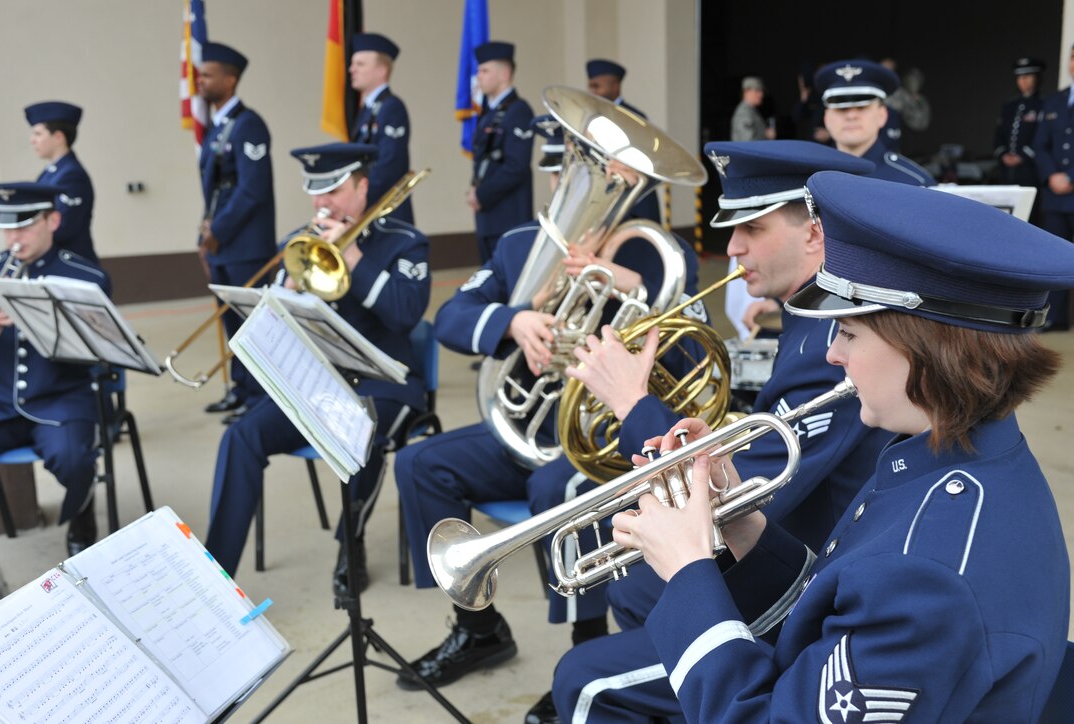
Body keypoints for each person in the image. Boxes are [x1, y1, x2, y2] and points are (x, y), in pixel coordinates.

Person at [603, 171, 1071, 722]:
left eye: (848, 333)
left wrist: (687, 570)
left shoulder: (927, 584)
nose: (833, 356)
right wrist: (743, 525)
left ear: (926, 349)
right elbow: (840, 608)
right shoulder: (947, 454)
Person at [551, 141, 894, 722]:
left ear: (815, 231)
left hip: (808, 566)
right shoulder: (807, 316)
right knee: (631, 591)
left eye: (752, 228)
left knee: (583, 679)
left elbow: (755, 482)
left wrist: (633, 402)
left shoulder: (829, 338)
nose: (732, 249)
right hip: (791, 544)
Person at [395, 115, 703, 697]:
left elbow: (692, 356)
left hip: (611, 434)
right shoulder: (518, 247)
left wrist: (634, 287)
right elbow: (451, 319)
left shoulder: (660, 256)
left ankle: (585, 652)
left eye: (618, 174)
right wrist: (512, 320)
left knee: (554, 493)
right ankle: (478, 628)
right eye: (587, 170)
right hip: (529, 425)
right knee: (418, 464)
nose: (598, 185)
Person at [204, 143, 430, 598]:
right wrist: (283, 291)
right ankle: (215, 575)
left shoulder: (405, 243)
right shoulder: (297, 240)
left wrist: (356, 263)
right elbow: (269, 331)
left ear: (363, 187)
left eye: (334, 190)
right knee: (241, 436)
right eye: (315, 192)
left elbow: (407, 314)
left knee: (359, 434)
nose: (321, 203)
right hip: (317, 386)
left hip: (384, 387)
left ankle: (352, 542)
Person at [0, 182, 111, 556]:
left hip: (60, 400)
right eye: (8, 228)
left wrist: (28, 315)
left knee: (75, 461)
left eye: (24, 226)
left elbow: (99, 351)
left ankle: (81, 519)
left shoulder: (86, 278)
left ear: (53, 220)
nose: (14, 238)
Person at [196, 42, 277, 418]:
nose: (200, 80)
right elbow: (214, 191)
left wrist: (220, 231)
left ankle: (261, 397)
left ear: (230, 79)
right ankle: (242, 388)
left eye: (208, 74)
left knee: (253, 327)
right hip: (222, 245)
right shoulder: (218, 127)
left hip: (245, 245)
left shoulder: (249, 125)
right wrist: (204, 236)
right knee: (232, 325)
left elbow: (252, 189)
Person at [815, 59, 936, 186]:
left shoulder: (917, 184)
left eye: (862, 107)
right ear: (826, 117)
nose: (851, 115)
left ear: (882, 115)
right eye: (841, 107)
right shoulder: (806, 180)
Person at [467, 41, 534, 264]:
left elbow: (516, 166)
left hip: (508, 217)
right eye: (478, 71)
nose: (478, 77)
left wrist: (482, 194)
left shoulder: (518, 111)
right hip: (487, 217)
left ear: (504, 73)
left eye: (484, 71)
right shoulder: (489, 113)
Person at [349, 32, 413, 224]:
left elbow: (389, 164)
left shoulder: (391, 107)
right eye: (353, 64)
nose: (352, 69)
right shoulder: (368, 109)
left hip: (386, 213)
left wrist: (358, 199)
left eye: (360, 64)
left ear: (382, 70)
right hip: (370, 209)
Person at [585, 59, 661, 223]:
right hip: (603, 203)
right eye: (590, 86)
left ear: (615, 86)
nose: (592, 91)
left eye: (597, 86)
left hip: (635, 204)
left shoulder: (635, 118)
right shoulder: (591, 117)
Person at [1031, 47, 1074, 332]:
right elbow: (1039, 145)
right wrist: (1052, 176)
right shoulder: (1055, 101)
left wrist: (1071, 176)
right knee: (1058, 259)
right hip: (1055, 196)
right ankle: (1055, 318)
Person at [24, 102, 99, 265]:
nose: (32, 141)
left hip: (71, 264)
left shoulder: (71, 175)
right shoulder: (51, 172)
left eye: (38, 134)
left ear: (58, 137)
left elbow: (63, 228)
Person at [994, 56, 1045, 188]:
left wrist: (1023, 156)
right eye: (1019, 77)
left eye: (1027, 76)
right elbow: (999, 135)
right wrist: (1003, 155)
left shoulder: (1044, 105)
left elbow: (1043, 136)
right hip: (1006, 171)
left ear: (1037, 77)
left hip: (1030, 170)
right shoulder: (1009, 106)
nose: (1022, 81)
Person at [730, 77, 774, 142]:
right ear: (746, 92)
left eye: (761, 91)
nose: (761, 94)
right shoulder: (744, 112)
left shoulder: (751, 110)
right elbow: (748, 142)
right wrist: (766, 135)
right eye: (757, 90)